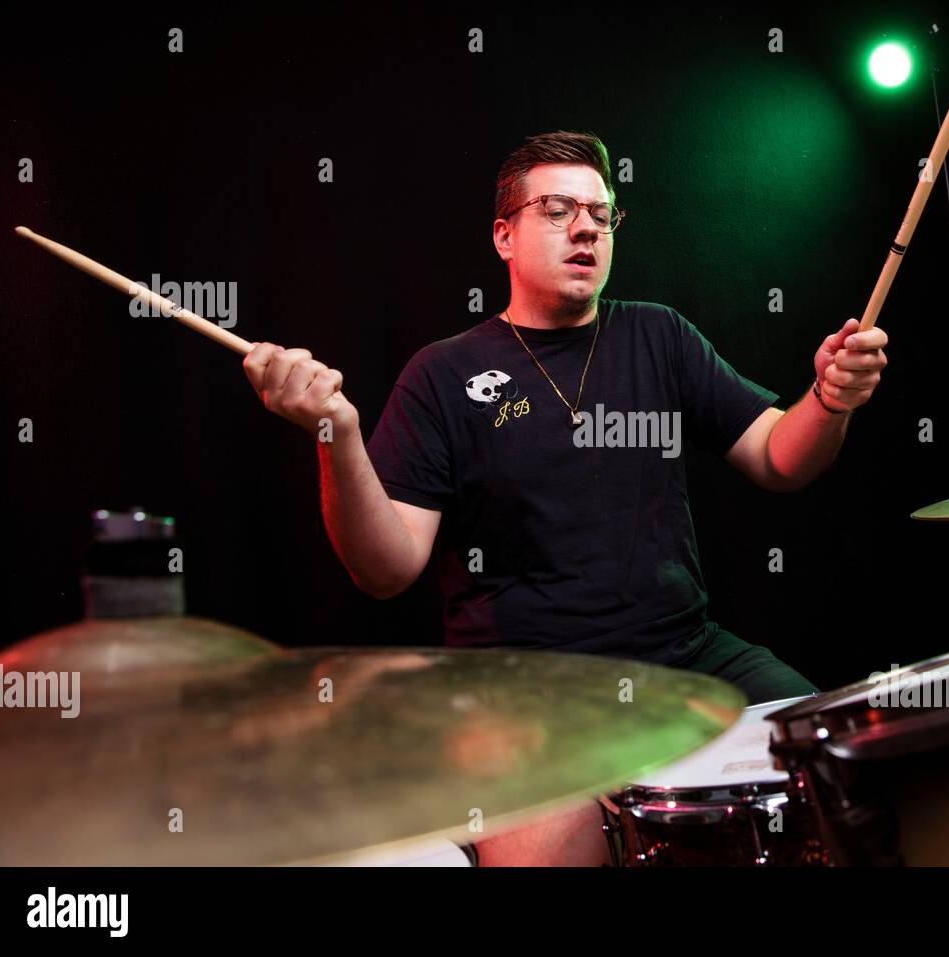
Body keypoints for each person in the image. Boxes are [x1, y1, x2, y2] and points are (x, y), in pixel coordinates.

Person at [242, 131, 888, 864]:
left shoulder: (660, 334)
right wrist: (337, 432)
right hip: (521, 688)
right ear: (504, 234)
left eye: (600, 213)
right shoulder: (443, 374)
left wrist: (831, 399)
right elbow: (386, 568)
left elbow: (780, 457)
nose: (586, 226)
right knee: (551, 848)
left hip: (683, 654)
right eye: (557, 209)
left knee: (841, 761)